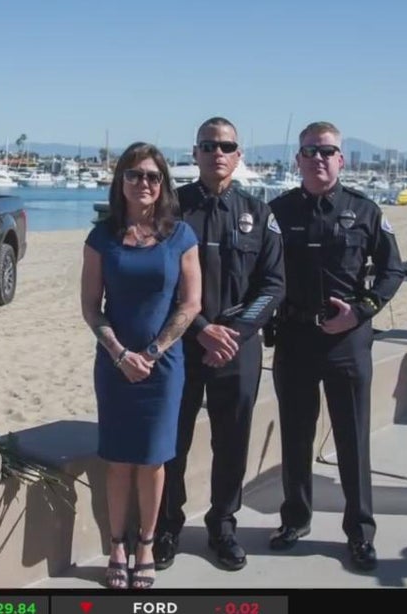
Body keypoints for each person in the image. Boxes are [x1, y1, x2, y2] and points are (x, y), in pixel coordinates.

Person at [266, 122, 404, 570]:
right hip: (294, 338)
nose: (318, 158)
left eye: (327, 151)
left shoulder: (363, 210)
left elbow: (391, 271)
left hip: (347, 340)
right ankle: (295, 519)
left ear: (341, 159)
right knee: (296, 436)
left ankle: (360, 533)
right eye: (310, 151)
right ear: (298, 159)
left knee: (352, 440)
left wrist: (361, 310)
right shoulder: (277, 211)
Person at [154, 117, 285, 572]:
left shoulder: (259, 212)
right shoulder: (171, 209)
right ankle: (168, 523)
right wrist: (200, 328)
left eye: (226, 145)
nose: (217, 153)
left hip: (237, 346)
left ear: (238, 154)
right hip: (183, 344)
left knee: (233, 440)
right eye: (208, 145)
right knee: (174, 438)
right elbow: (162, 281)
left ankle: (222, 525)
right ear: (195, 153)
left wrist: (234, 333)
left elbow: (272, 285)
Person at [80, 142, 202, 589]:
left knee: (152, 461)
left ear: (163, 183)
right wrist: (118, 353)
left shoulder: (180, 236)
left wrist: (151, 353)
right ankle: (116, 543)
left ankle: (146, 544)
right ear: (121, 182)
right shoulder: (102, 237)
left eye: (152, 176)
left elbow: (191, 304)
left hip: (163, 367)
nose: (144, 183)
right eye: (134, 175)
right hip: (114, 365)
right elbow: (92, 308)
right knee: (117, 460)